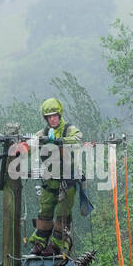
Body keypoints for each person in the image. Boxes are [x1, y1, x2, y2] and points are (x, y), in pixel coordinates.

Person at [21, 97, 82, 257]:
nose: (52, 119)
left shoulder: (69, 129)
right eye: (49, 117)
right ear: (46, 119)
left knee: (63, 214)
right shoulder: (42, 134)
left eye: (55, 115)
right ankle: (40, 243)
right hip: (49, 181)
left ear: (60, 115)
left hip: (67, 181)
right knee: (45, 212)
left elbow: (77, 140)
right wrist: (19, 148)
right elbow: (30, 146)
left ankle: (56, 246)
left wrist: (60, 141)